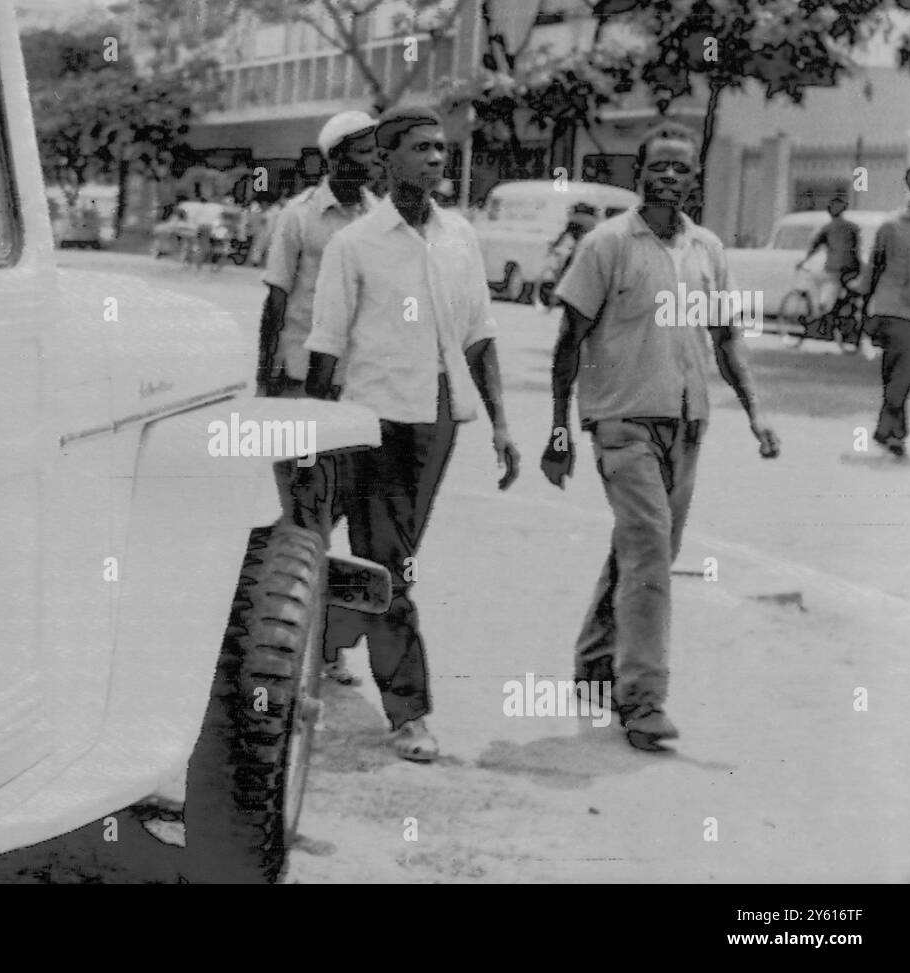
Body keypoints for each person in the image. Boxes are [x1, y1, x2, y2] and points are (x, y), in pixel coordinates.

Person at [540, 122, 780, 751]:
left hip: (688, 421)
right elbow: (568, 343)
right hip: (620, 420)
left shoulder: (707, 248)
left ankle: (595, 661)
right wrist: (558, 430)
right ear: (638, 175)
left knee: (646, 548)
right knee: (648, 546)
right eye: (658, 167)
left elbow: (725, 337)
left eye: (680, 168)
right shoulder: (607, 245)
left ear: (695, 178)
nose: (669, 177)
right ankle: (643, 700)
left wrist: (755, 412)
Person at [305, 106, 520, 761]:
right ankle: (409, 713)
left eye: (441, 149)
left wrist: (502, 424)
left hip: (437, 423)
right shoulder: (355, 244)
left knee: (386, 564)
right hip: (372, 424)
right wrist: (314, 434)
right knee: (392, 567)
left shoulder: (459, 236)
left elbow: (480, 335)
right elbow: (325, 346)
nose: (436, 158)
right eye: (422, 148)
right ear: (389, 157)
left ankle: (315, 642)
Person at [258, 110, 381, 686]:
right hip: (300, 383)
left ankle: (328, 642)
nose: (375, 160)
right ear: (334, 158)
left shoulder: (379, 219)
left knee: (341, 505)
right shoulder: (298, 217)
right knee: (304, 508)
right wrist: (264, 386)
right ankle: (305, 645)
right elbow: (276, 302)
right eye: (363, 151)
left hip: (356, 388)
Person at [863, 166, 910, 458]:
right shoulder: (890, 226)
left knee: (896, 372)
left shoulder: (889, 225)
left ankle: (893, 432)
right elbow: (874, 269)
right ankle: (888, 430)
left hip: (888, 309)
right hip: (898, 312)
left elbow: (872, 270)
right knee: (901, 374)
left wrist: (867, 307)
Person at [797, 195, 861, 315]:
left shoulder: (827, 228)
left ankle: (823, 310)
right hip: (852, 267)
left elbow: (814, 246)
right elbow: (856, 249)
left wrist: (804, 261)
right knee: (845, 290)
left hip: (834, 267)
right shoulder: (853, 227)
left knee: (824, 285)